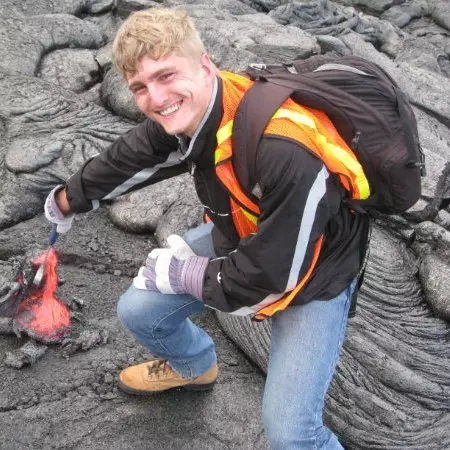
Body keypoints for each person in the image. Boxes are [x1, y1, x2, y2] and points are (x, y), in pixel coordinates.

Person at [44, 7, 369, 449]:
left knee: (291, 433)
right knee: (139, 310)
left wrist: (185, 274)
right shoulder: (193, 113)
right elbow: (129, 156)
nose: (156, 99)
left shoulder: (285, 150)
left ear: (205, 63)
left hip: (315, 270)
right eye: (140, 87)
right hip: (244, 233)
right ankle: (194, 366)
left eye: (165, 76)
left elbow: (272, 277)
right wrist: (67, 199)